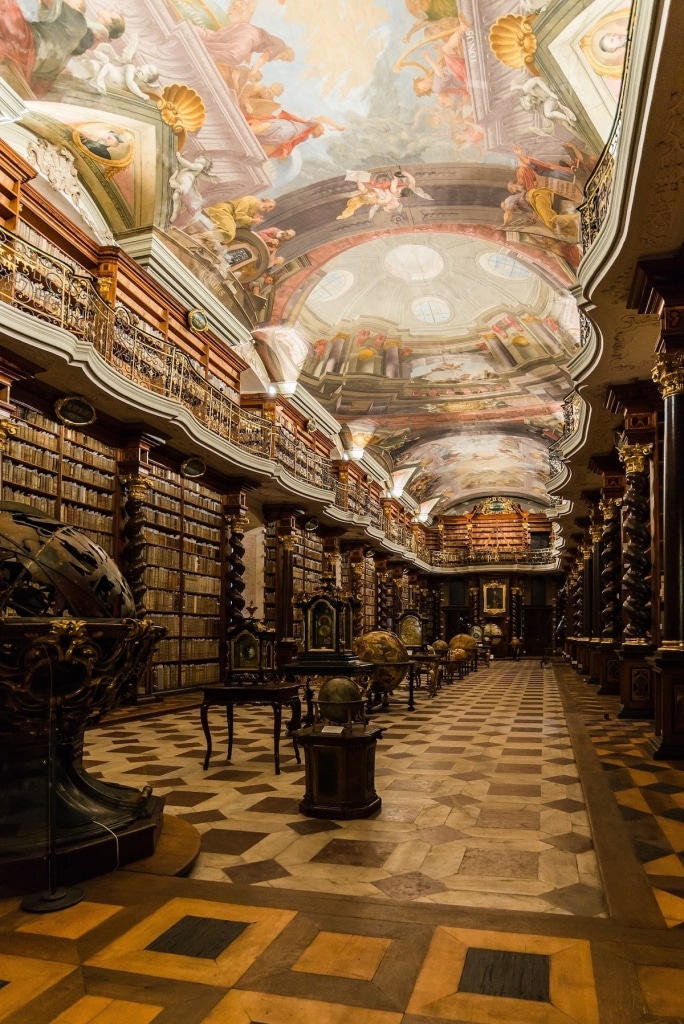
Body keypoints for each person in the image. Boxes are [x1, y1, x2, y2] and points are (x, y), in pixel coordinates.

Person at [0, 0, 125, 97]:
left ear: (109, 21)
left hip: (31, 47)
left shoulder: (80, 24)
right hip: (39, 57)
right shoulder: (81, 28)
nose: (107, 9)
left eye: (111, 12)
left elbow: (43, 11)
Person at [203, 196, 276, 245]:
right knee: (229, 233)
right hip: (224, 210)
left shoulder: (255, 212)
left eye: (270, 209)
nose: (268, 210)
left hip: (228, 215)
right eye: (270, 206)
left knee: (230, 237)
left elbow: (244, 227)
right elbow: (239, 215)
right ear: (266, 201)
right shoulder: (251, 200)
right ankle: (203, 238)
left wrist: (252, 220)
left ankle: (206, 241)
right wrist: (252, 220)